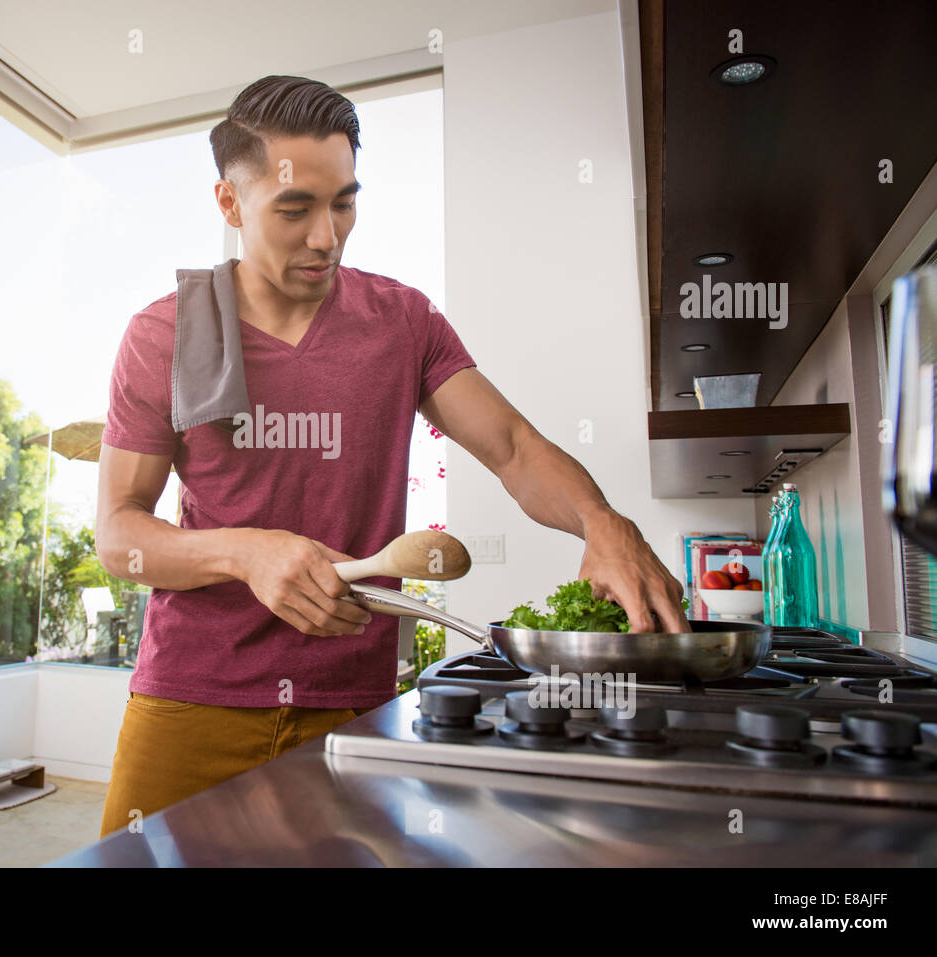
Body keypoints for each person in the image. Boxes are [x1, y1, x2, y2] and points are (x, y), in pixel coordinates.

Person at [95, 75, 686, 838]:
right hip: (189, 698)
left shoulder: (403, 321)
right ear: (229, 203)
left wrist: (601, 521)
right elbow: (118, 533)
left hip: (354, 705)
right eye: (295, 208)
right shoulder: (164, 334)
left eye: (343, 202)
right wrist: (248, 553)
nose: (326, 236)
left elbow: (509, 448)